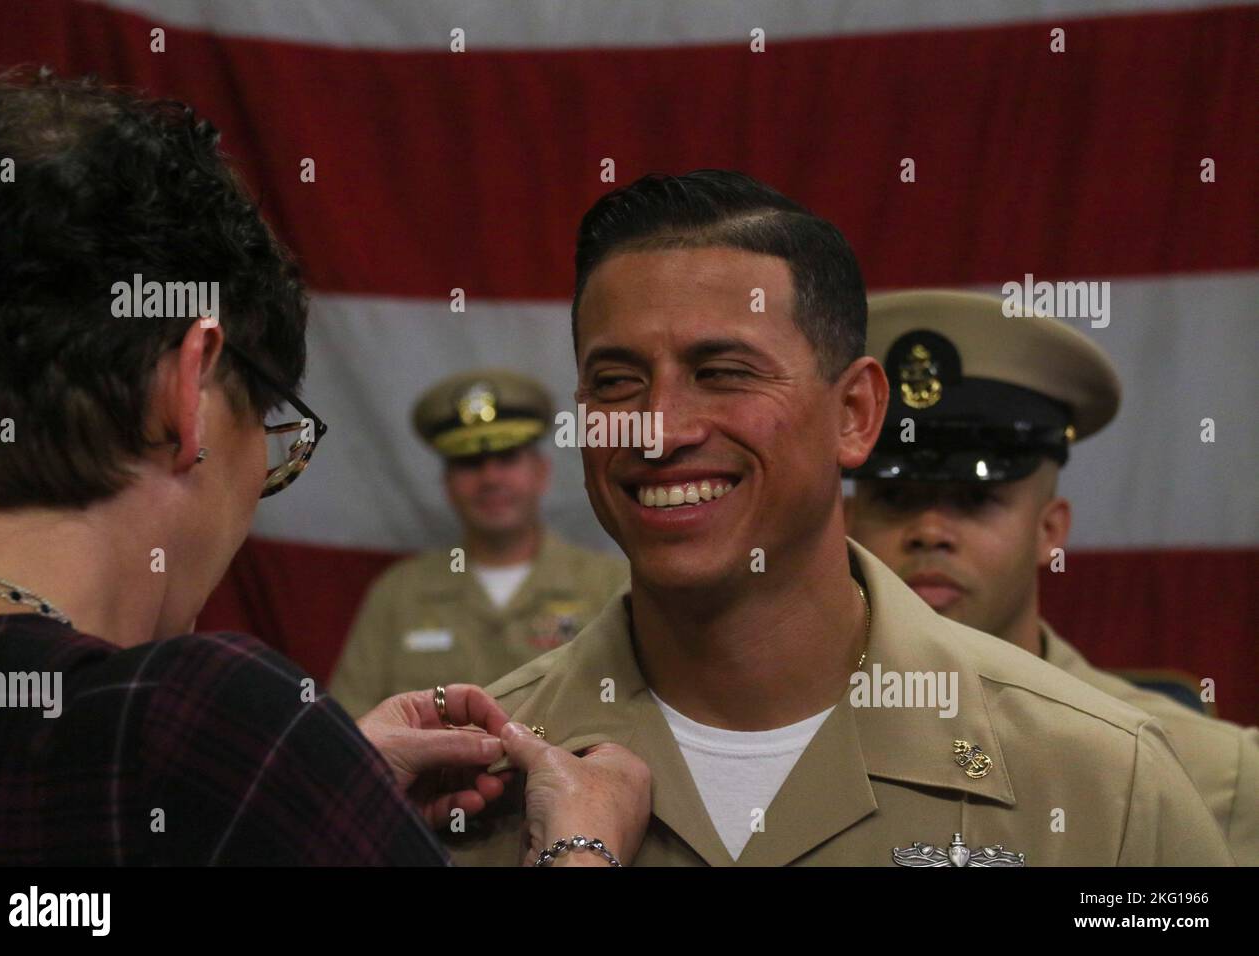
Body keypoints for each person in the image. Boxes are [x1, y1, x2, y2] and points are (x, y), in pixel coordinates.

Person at [444, 169, 1233, 866]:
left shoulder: (1103, 782)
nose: (660, 427)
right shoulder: (466, 785)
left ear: (855, 414)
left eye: (723, 373)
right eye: (616, 383)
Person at [0, 69, 648, 867]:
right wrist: (583, 846)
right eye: (271, 431)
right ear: (188, 395)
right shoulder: (202, 722)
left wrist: (318, 789)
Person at [845, 289, 1259, 864]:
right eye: (894, 497)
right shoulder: (779, 736)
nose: (930, 531)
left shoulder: (1210, 773)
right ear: (845, 520)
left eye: (976, 499)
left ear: (1049, 531)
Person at [331, 369, 627, 713]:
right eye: (470, 463)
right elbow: (350, 729)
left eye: (508, 458)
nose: (490, 478)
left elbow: (645, 715)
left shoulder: (611, 588)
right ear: (447, 483)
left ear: (541, 472)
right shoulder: (398, 595)